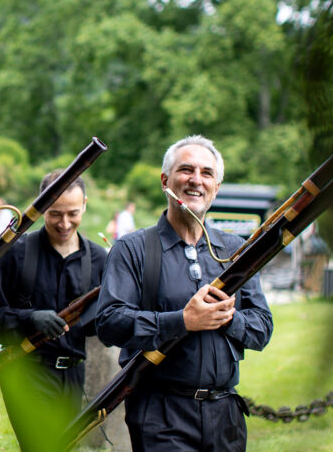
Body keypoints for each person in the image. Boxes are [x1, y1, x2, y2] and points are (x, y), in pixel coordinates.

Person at [96, 135, 273, 452]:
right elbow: (110, 323)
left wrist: (228, 319)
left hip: (227, 416)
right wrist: (181, 321)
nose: (196, 180)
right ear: (165, 180)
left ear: (216, 187)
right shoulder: (132, 249)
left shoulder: (236, 251)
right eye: (186, 170)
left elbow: (262, 328)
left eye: (207, 173)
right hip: (160, 416)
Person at [0, 171, 106, 452]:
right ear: (41, 206)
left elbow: (105, 326)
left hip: (76, 376)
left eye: (72, 213)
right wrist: (29, 319)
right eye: (55, 213)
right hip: (26, 372)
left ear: (85, 205)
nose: (64, 223)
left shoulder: (101, 260)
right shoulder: (14, 253)